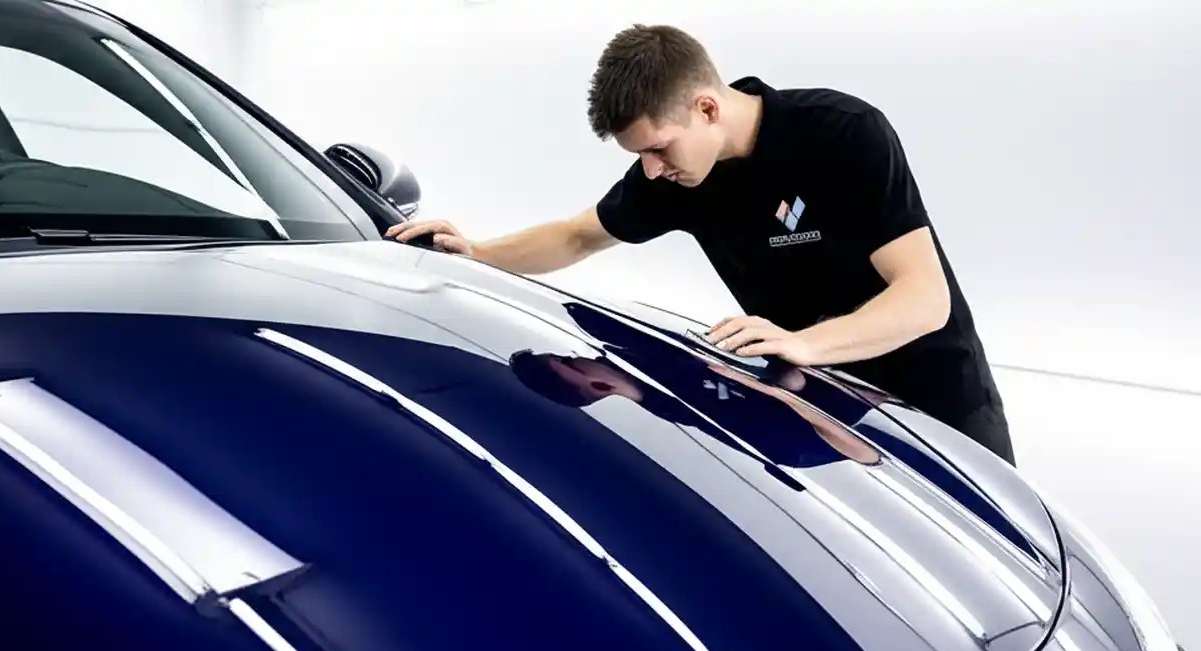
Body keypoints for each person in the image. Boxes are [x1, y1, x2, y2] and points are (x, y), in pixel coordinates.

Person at [386, 24, 1014, 465]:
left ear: (708, 108)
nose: (653, 170)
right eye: (641, 157)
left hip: (938, 402)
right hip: (817, 405)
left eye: (659, 148)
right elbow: (578, 235)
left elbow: (924, 299)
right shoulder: (678, 177)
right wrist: (476, 253)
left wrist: (805, 343)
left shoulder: (843, 133)